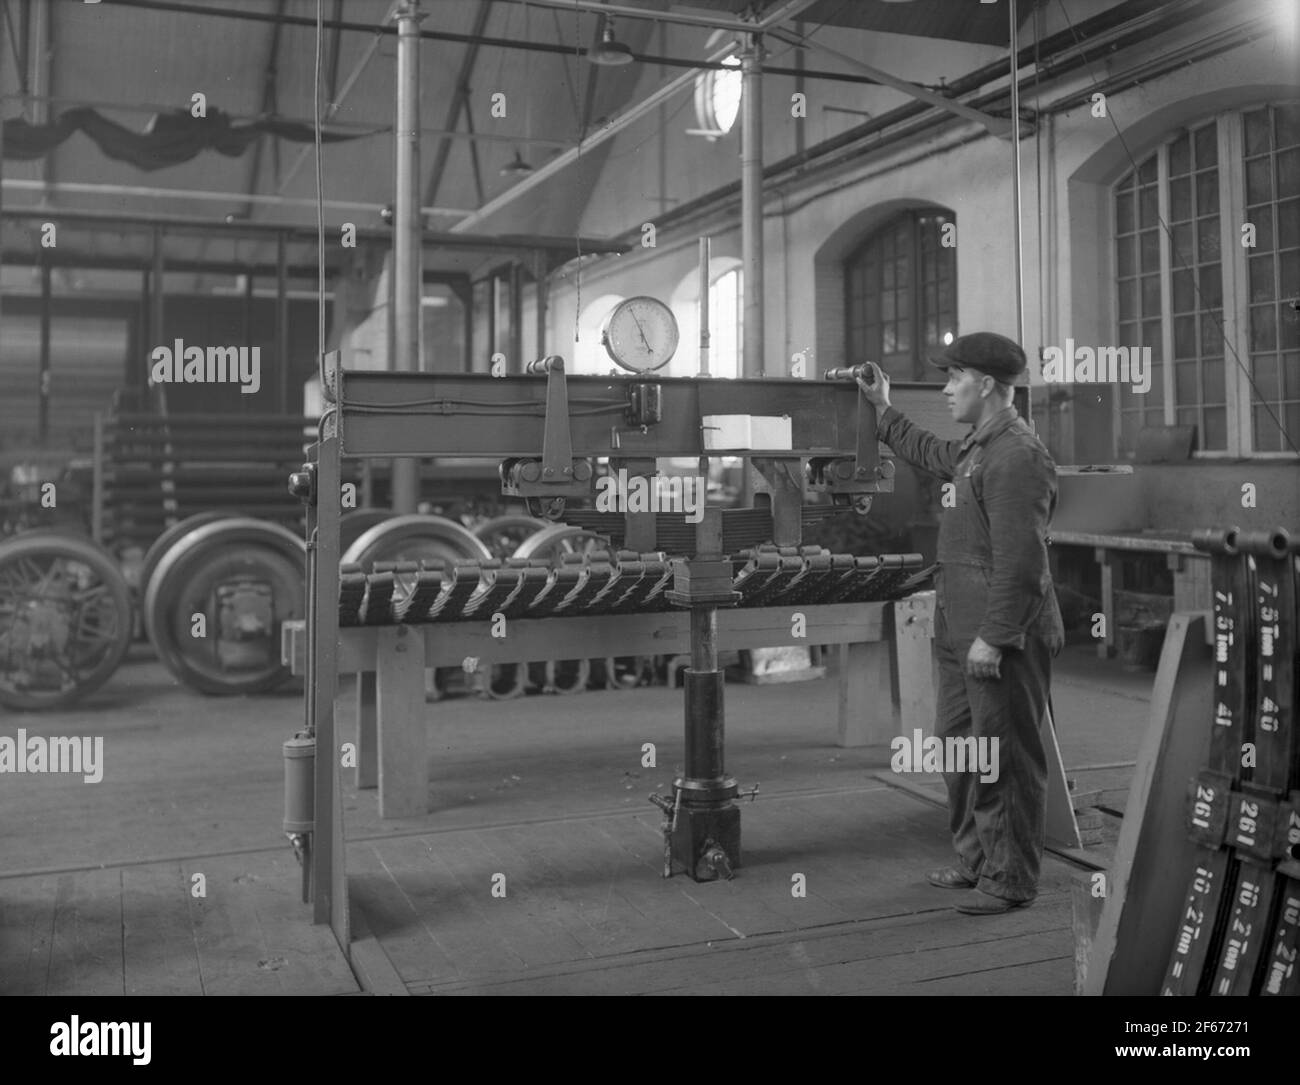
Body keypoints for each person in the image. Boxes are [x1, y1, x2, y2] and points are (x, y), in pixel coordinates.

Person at [856, 332, 1064, 915]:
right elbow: (929, 452)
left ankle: (1011, 879)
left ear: (987, 384)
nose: (946, 389)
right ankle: (977, 859)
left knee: (1005, 757)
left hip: (1001, 634)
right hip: (959, 626)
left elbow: (1022, 562)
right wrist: (883, 409)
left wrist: (995, 638)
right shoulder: (978, 448)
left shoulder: (1018, 456)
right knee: (959, 750)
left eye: (954, 377)